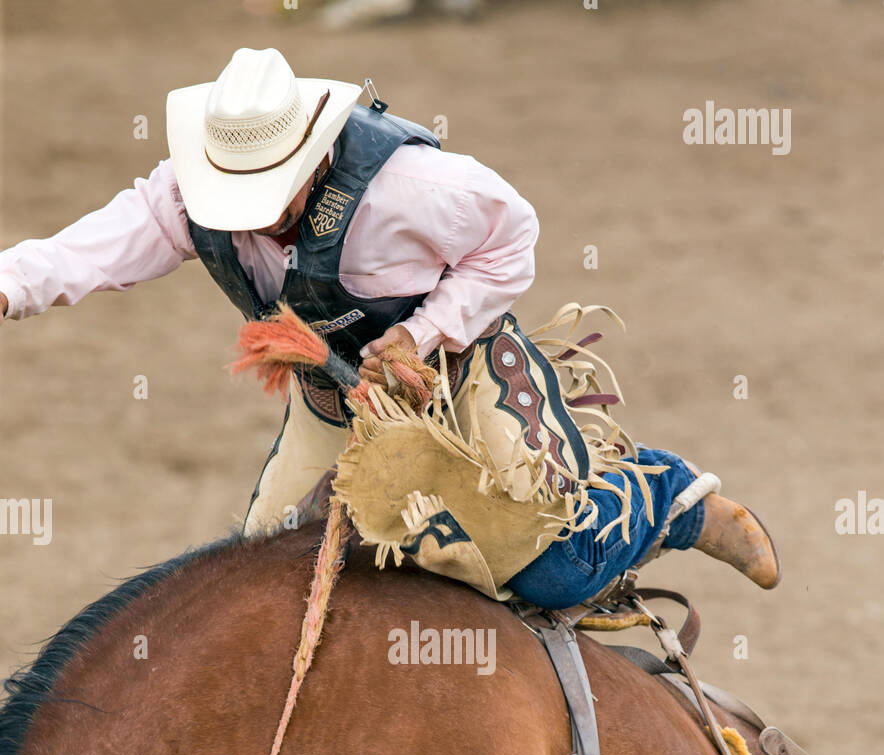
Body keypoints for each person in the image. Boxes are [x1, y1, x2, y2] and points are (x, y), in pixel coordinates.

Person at [0, 47, 778, 607]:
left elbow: (513, 238)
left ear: (309, 156)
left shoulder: (414, 188)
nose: (246, 214)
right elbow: (87, 251)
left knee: (553, 570)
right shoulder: (183, 195)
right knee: (254, 583)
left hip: (459, 386)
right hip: (332, 404)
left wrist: (426, 332)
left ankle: (673, 499)